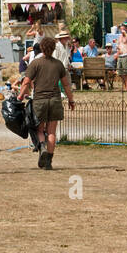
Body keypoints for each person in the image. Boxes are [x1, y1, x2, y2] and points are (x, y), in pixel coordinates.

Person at [17, 36, 75, 170]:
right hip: (55, 99)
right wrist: (71, 100)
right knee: (52, 131)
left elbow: (26, 82)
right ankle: (48, 160)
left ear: (41, 48)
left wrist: (20, 96)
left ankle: (42, 147)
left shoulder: (35, 63)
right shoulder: (58, 64)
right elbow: (66, 85)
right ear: (54, 49)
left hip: (40, 100)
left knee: (40, 129)